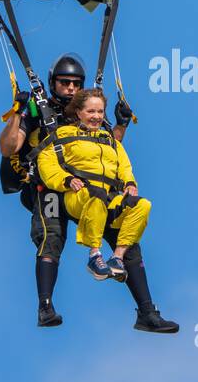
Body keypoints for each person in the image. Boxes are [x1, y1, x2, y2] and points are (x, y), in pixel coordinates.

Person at [0, 53, 178, 333]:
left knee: (127, 241)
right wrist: (19, 113)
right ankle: (45, 307)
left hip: (92, 190)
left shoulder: (90, 113)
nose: (70, 88)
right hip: (51, 187)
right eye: (64, 83)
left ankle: (147, 313)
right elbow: (9, 148)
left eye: (75, 83)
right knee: (51, 238)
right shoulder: (37, 111)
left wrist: (119, 125)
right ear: (53, 83)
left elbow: (103, 154)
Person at [37, 88, 151, 283]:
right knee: (96, 196)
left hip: (107, 198)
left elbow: (123, 165)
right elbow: (46, 162)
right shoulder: (63, 134)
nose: (96, 117)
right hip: (77, 196)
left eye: (100, 112)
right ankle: (94, 255)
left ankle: (117, 258)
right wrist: (66, 180)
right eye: (91, 112)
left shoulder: (109, 140)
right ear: (78, 112)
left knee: (141, 205)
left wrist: (130, 183)